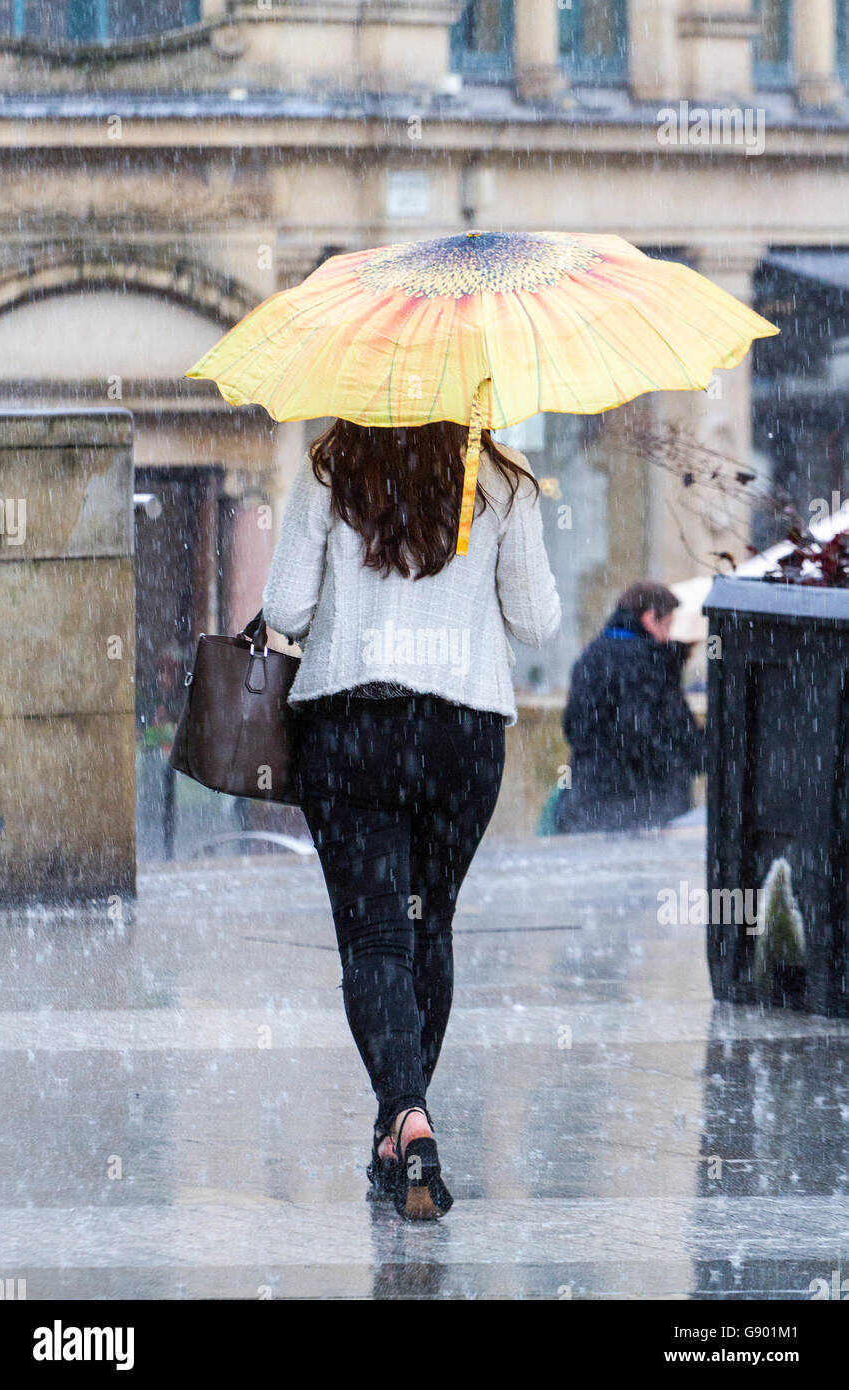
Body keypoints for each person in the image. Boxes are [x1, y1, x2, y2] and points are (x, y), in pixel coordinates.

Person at [262, 420, 560, 1220]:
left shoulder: (334, 464)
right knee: (429, 927)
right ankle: (399, 1130)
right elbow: (536, 622)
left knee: (375, 941)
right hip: (462, 734)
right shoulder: (500, 475)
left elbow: (285, 607)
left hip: (353, 725)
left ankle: (404, 1114)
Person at [556, 581, 705, 834]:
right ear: (649, 618)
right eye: (667, 625)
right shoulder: (652, 661)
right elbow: (669, 735)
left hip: (587, 802)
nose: (668, 636)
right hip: (645, 807)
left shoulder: (592, 654)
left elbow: (574, 727)